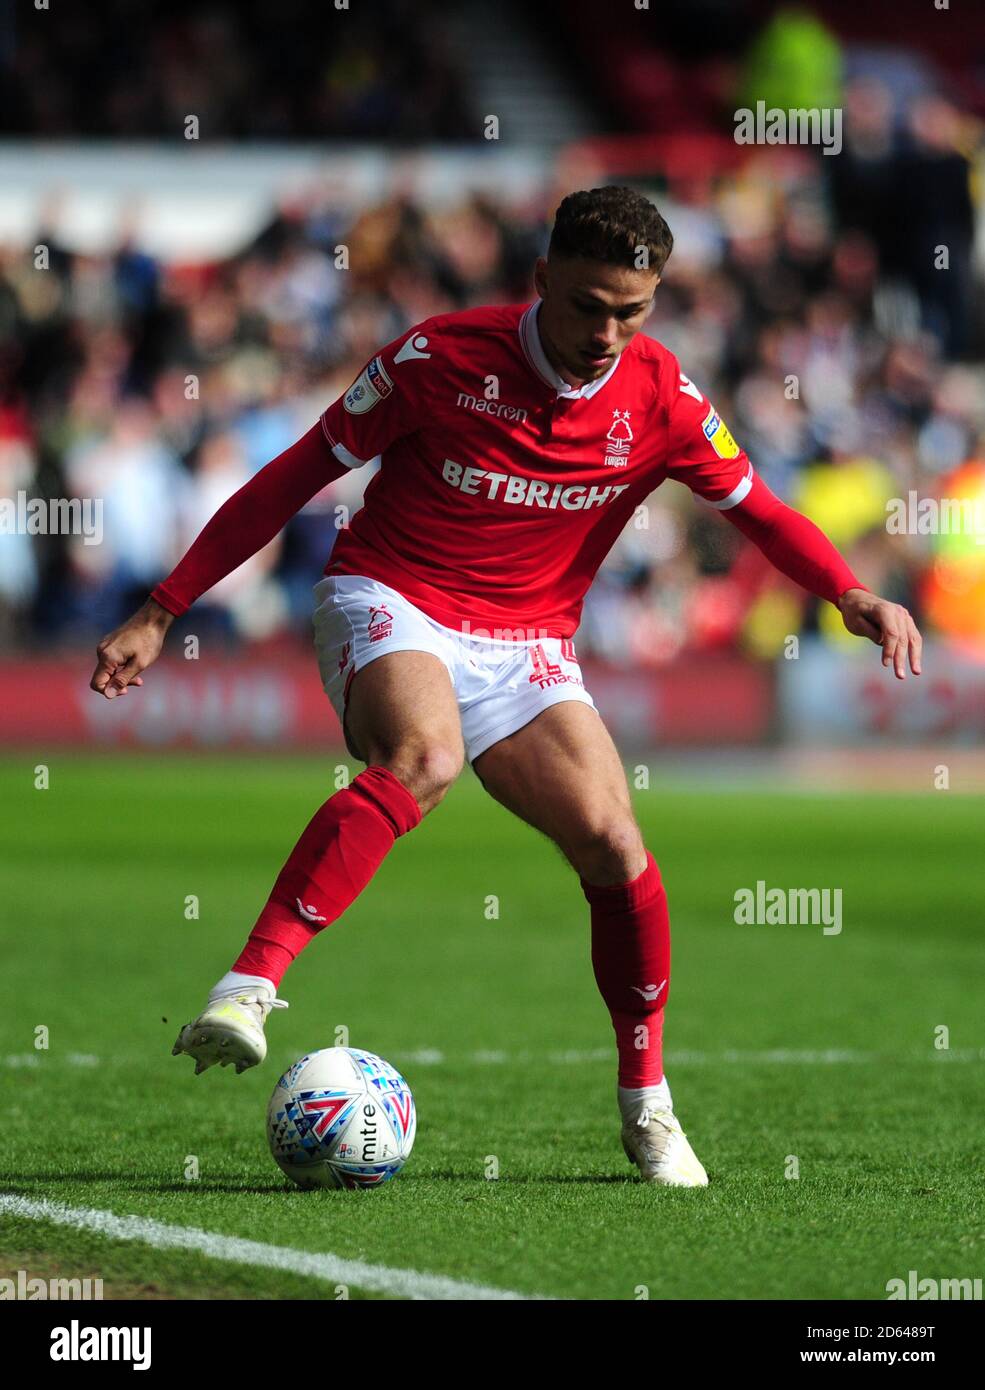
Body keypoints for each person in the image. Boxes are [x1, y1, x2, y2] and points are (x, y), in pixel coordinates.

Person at [90, 187, 922, 1186]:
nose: (607, 332)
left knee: (617, 845)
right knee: (425, 758)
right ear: (541, 282)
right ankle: (250, 984)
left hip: (527, 642)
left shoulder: (663, 398)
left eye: (632, 311)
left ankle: (646, 1103)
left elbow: (758, 508)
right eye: (588, 306)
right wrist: (162, 606)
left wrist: (847, 591)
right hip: (389, 594)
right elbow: (292, 474)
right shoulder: (439, 359)